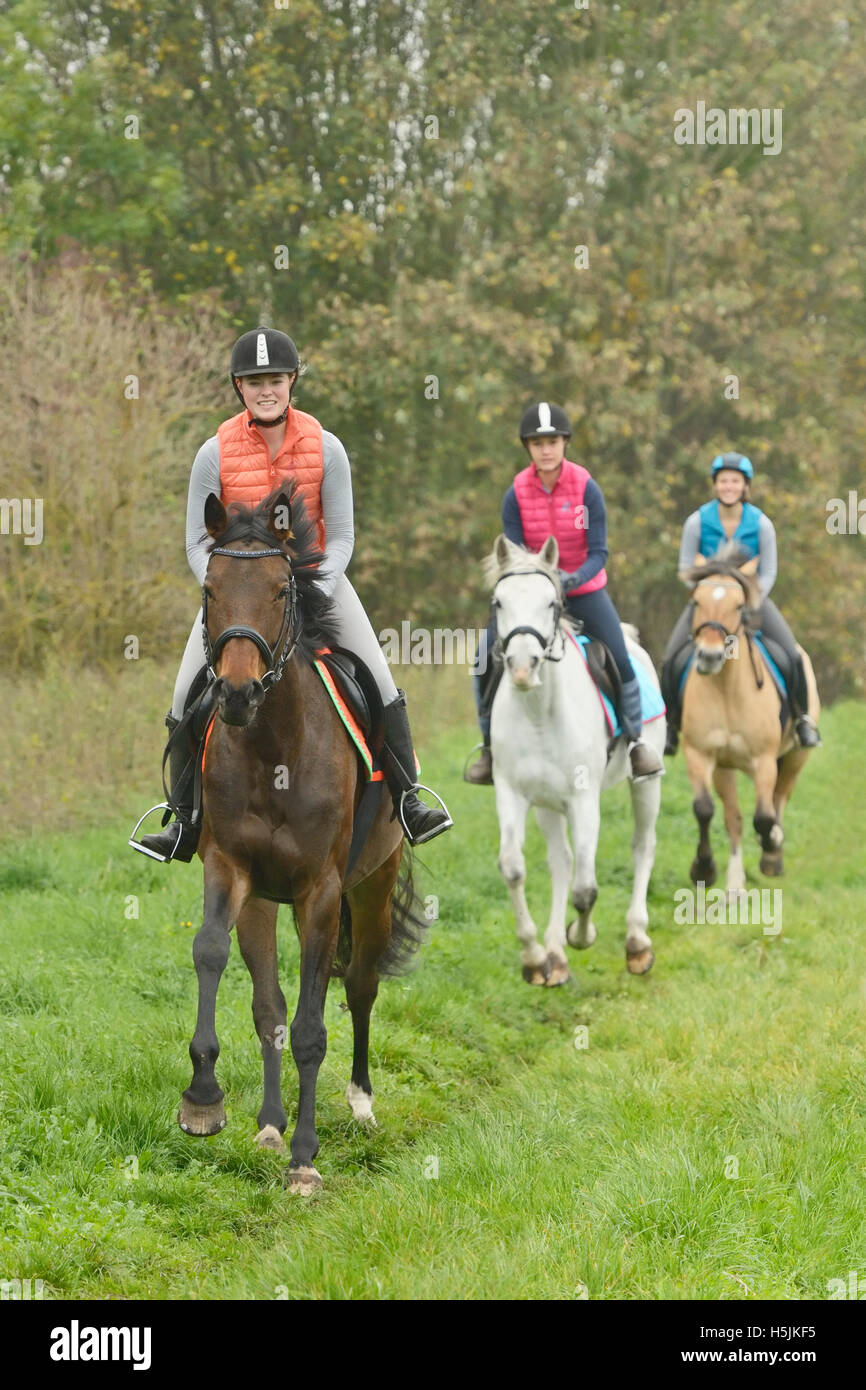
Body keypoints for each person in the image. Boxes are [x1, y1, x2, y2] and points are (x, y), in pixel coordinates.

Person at [132, 326, 452, 860]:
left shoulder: (327, 447)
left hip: (320, 583)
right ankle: (183, 819)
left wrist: (316, 588)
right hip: (238, 598)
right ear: (239, 386)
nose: (266, 391)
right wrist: (225, 590)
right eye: (255, 382)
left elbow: (342, 535)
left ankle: (409, 799)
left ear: (292, 381)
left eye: (275, 380)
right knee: (184, 692)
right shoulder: (213, 453)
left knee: (379, 678)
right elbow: (195, 541)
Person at [464, 402, 664, 785]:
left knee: (619, 655)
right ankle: (489, 748)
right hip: (532, 595)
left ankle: (637, 744)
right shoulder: (516, 494)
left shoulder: (587, 488)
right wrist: (539, 583)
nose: (546, 450)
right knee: (483, 656)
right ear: (527, 447)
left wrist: (570, 581)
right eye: (538, 443)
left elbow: (599, 552)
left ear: (564, 443)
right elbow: (516, 555)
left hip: (583, 589)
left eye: (553, 442)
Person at [660, 451, 821, 755]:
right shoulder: (696, 522)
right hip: (708, 604)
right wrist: (708, 595)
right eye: (723, 481)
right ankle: (670, 725)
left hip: (752, 601)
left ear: (745, 485)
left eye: (735, 481)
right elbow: (685, 568)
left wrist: (749, 599)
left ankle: (802, 720)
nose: (729, 486)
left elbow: (769, 571)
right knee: (671, 658)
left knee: (791, 654)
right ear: (715, 484)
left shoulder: (762, 524)